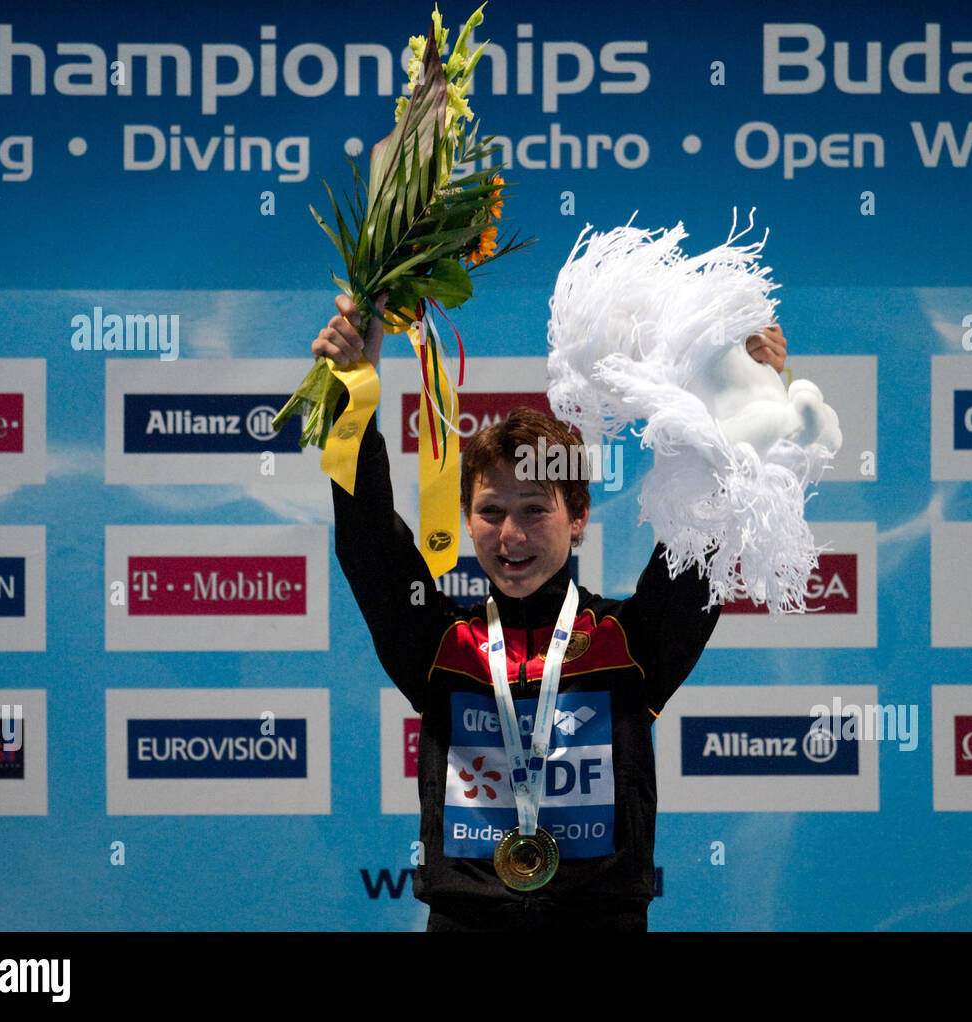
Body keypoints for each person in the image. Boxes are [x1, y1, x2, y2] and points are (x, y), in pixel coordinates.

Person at [314, 294, 787, 931]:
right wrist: (353, 391)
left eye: (535, 509)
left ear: (580, 517)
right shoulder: (440, 642)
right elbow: (366, 538)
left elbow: (704, 533)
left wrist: (748, 399)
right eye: (490, 511)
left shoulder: (627, 639)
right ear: (467, 519)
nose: (511, 534)